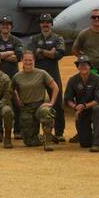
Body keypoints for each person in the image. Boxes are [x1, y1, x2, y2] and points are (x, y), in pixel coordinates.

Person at [11, 50, 58, 150]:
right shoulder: (17, 76)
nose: (28, 62)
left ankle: (48, 141)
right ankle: (43, 137)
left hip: (40, 105)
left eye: (30, 60)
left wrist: (51, 102)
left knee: (47, 113)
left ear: (34, 60)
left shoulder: (41, 73)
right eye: (25, 60)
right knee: (29, 142)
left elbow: (55, 87)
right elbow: (12, 89)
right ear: (21, 61)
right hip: (26, 108)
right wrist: (17, 99)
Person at [30, 13, 67, 143]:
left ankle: (59, 132)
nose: (45, 24)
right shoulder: (34, 39)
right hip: (38, 74)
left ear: (51, 24)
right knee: (36, 102)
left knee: (57, 102)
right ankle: (37, 132)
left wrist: (41, 51)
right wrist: (49, 52)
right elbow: (31, 53)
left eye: (48, 22)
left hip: (53, 74)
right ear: (40, 24)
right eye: (43, 22)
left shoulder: (58, 38)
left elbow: (59, 53)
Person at [63, 56, 99, 151]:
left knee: (98, 109)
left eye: (85, 65)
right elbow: (67, 99)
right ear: (77, 67)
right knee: (85, 144)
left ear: (90, 66)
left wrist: (84, 106)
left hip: (94, 108)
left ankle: (98, 143)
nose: (83, 67)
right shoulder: (73, 80)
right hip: (82, 111)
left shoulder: (98, 79)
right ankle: (97, 136)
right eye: (80, 65)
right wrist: (75, 107)